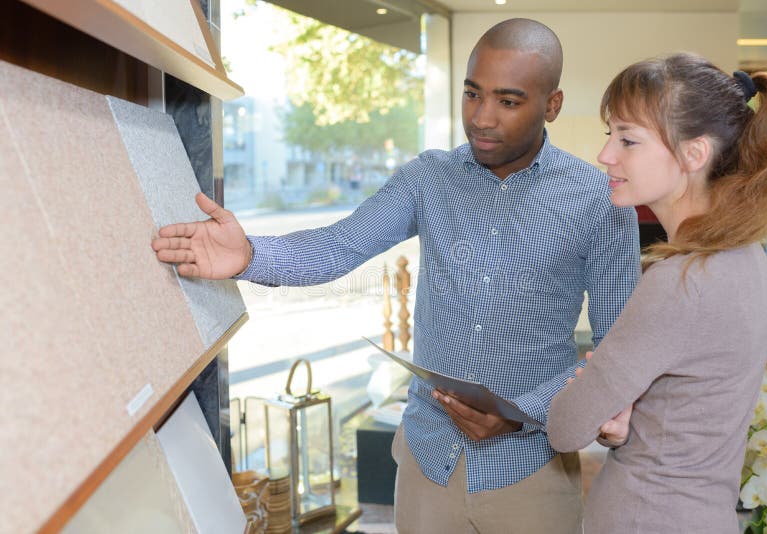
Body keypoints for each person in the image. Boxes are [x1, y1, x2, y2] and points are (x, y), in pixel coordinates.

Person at [152, 19, 640, 533]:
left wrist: (524, 411)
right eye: (472, 94)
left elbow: (616, 350)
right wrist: (249, 255)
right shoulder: (427, 179)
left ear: (553, 105)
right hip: (428, 463)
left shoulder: (600, 200)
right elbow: (338, 246)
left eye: (508, 102)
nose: (482, 118)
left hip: (532, 474)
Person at [546, 52, 767, 533]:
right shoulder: (745, 257)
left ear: (694, 153)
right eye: (609, 135)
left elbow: (565, 427)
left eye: (628, 140)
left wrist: (590, 387)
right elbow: (690, 410)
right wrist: (624, 419)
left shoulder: (682, 279)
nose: (606, 155)